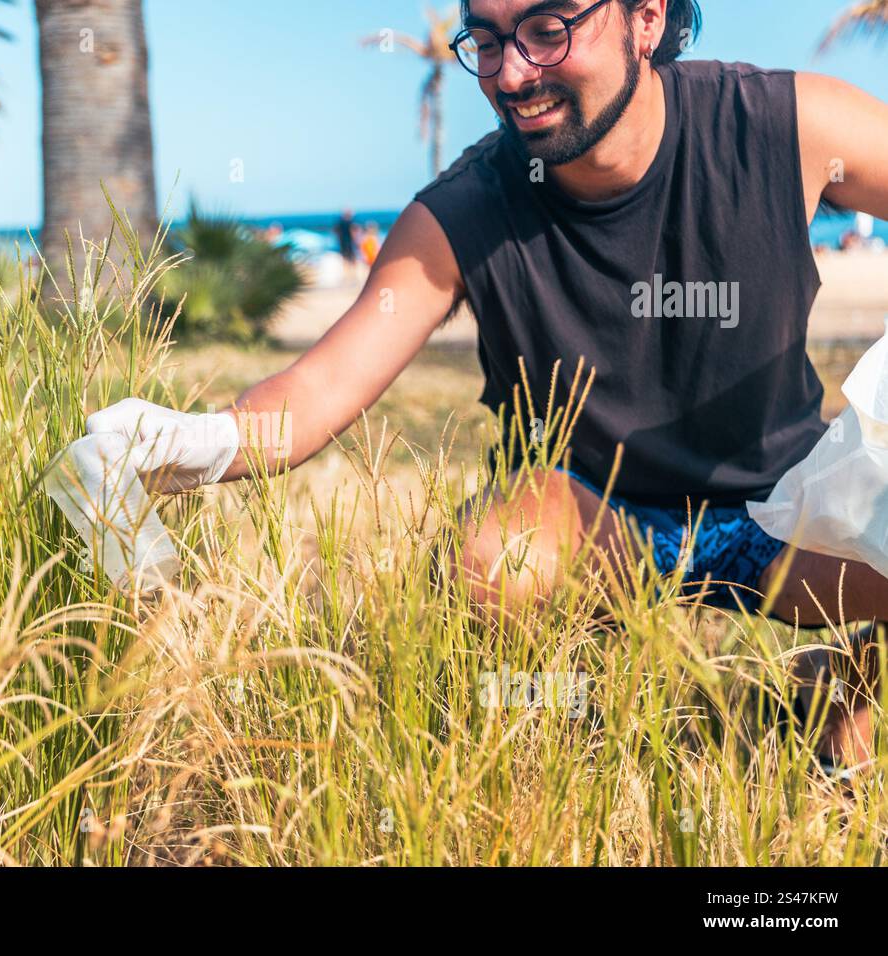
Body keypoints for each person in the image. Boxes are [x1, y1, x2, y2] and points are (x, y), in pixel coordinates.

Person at [84, 0, 888, 773]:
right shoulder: (463, 211)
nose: (512, 74)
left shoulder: (786, 124)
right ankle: (594, 724)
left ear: (647, 17)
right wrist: (198, 439)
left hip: (780, 510)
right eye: (489, 40)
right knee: (496, 564)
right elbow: (319, 386)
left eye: (547, 29)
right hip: (588, 522)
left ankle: (838, 701)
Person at [334, 208, 360, 281]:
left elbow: (336, 231)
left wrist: (338, 239)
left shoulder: (340, 222)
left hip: (343, 242)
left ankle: (347, 275)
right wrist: (356, 241)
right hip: (349, 242)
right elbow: (354, 232)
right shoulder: (351, 222)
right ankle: (353, 274)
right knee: (351, 258)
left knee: (345, 258)